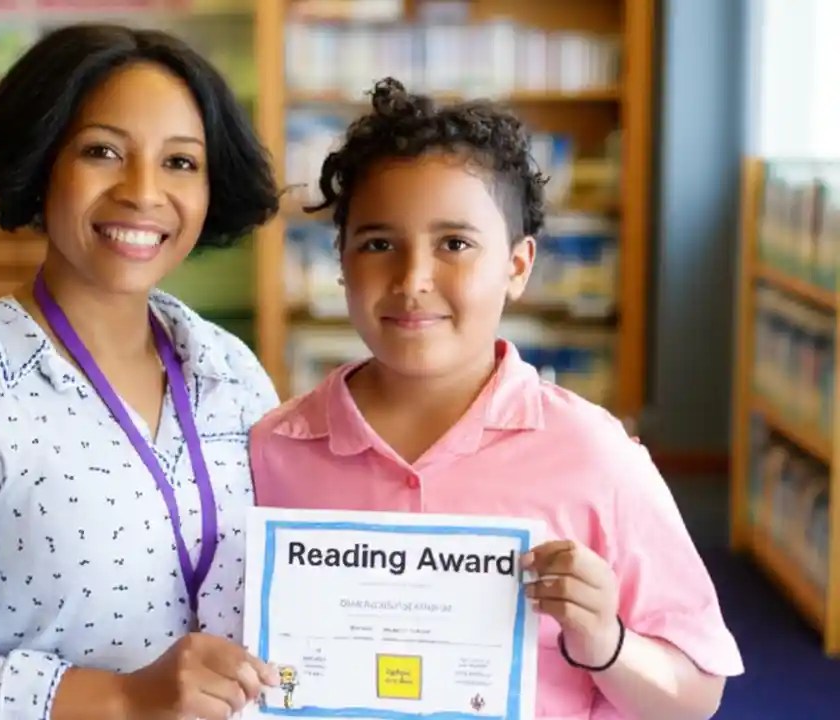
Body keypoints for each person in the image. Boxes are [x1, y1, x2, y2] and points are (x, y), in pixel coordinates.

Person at [249, 78, 744, 720]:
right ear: (341, 261)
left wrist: (605, 644)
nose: (413, 279)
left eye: (455, 244)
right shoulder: (270, 452)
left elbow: (696, 697)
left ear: (517, 266)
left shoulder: (595, 457)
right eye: (378, 244)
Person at [0, 23, 284, 720]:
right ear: (43, 162)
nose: (143, 192)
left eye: (181, 162)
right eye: (103, 151)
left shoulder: (231, 372)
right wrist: (123, 698)